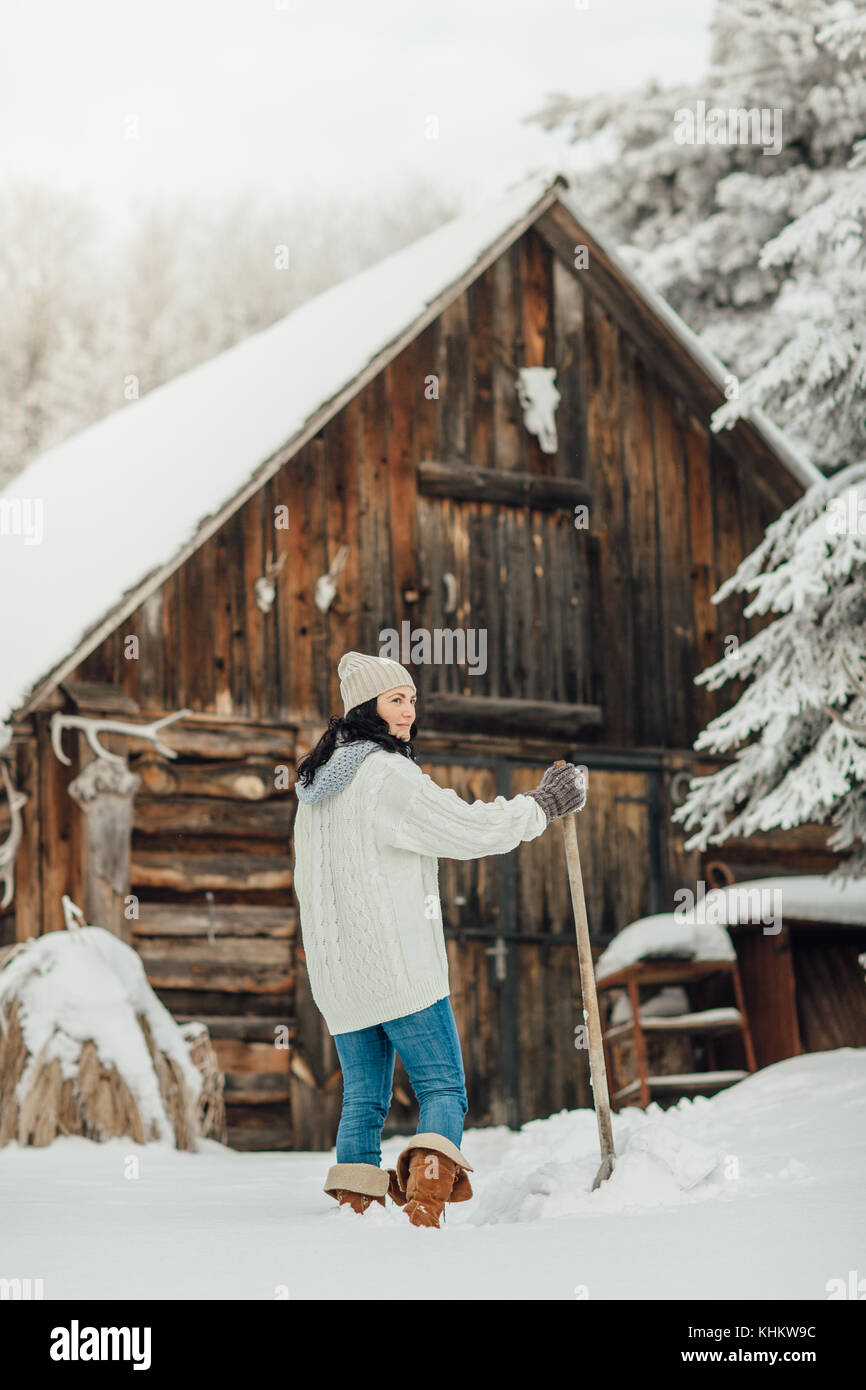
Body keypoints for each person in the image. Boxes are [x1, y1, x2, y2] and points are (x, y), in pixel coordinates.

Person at [292, 650, 587, 1228]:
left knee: (363, 1101)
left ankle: (355, 1213)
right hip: (398, 968)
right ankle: (424, 1209)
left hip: (339, 977)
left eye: (412, 701)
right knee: (442, 1087)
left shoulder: (314, 790)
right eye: (396, 700)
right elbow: (468, 828)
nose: (408, 713)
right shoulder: (385, 774)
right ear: (366, 707)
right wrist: (541, 806)